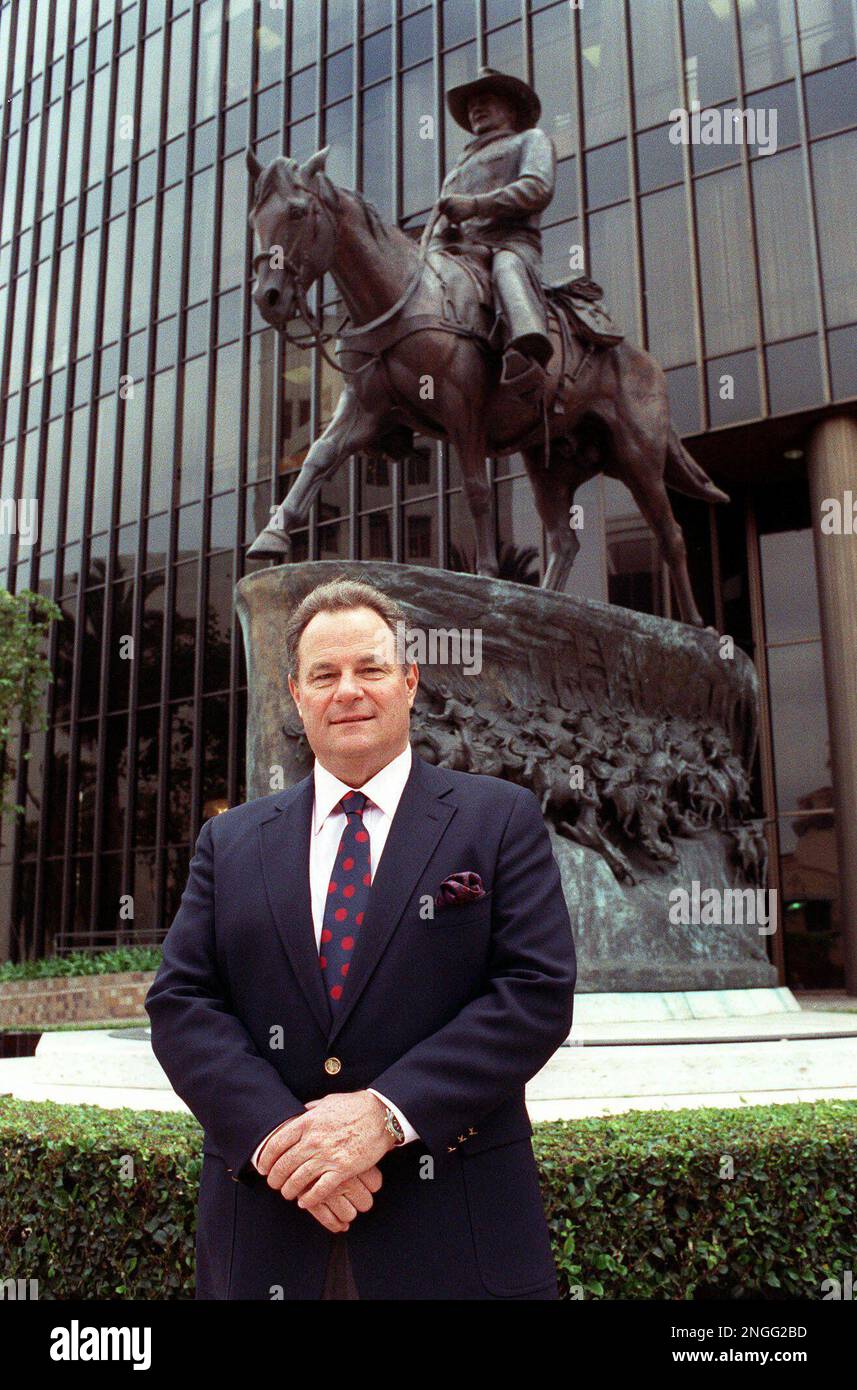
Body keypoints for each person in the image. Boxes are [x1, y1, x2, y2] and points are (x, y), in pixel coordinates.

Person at [146, 577, 576, 1300]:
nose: (348, 690)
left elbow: (532, 994)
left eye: (369, 668)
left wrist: (384, 1115)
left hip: (452, 1236)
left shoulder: (498, 819)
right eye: (325, 674)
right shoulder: (230, 841)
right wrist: (285, 1144)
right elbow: (183, 1001)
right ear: (296, 694)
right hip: (268, 1233)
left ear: (408, 682)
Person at [431, 67, 557, 406]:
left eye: (486, 101)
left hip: (510, 244)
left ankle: (526, 346)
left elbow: (537, 188)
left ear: (511, 109)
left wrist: (475, 205)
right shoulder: (457, 169)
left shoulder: (530, 140)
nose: (476, 109)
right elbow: (441, 224)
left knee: (506, 269)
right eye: (471, 105)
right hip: (461, 254)